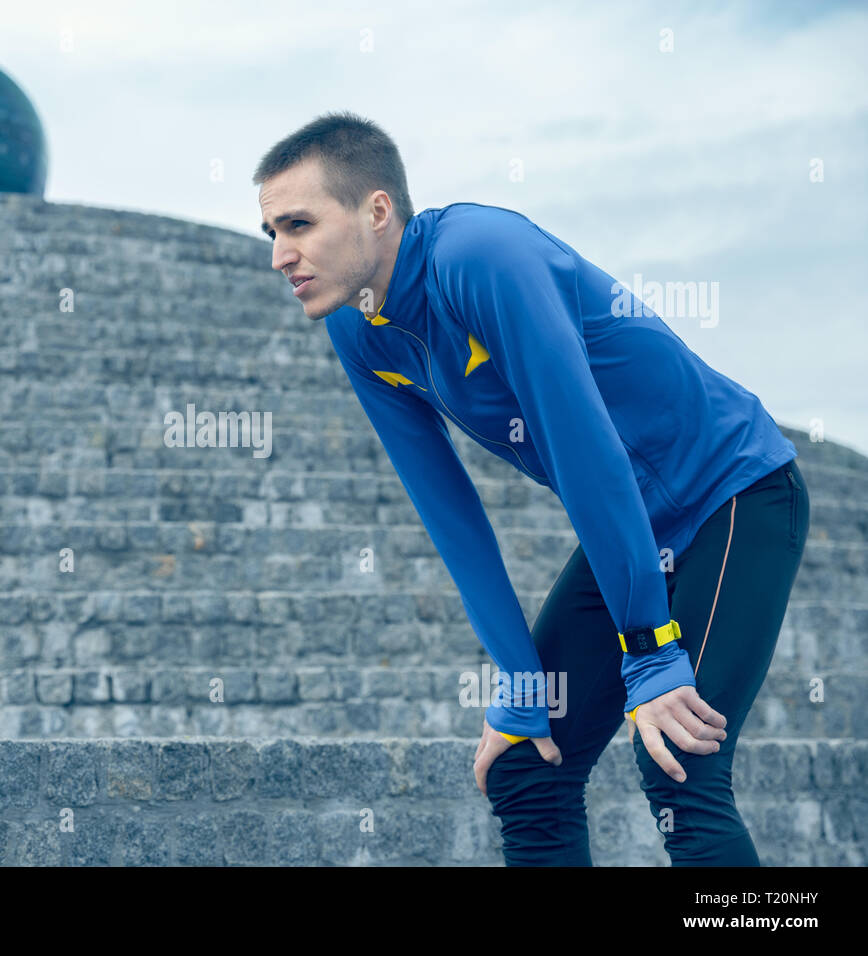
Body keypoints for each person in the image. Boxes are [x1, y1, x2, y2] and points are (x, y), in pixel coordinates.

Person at [253, 112, 809, 866]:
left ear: (376, 211)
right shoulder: (359, 329)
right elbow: (447, 509)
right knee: (526, 763)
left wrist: (648, 647)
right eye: (271, 233)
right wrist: (518, 677)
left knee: (680, 760)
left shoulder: (483, 257)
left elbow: (585, 447)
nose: (282, 255)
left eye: (298, 225)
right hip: (637, 525)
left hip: (734, 491)